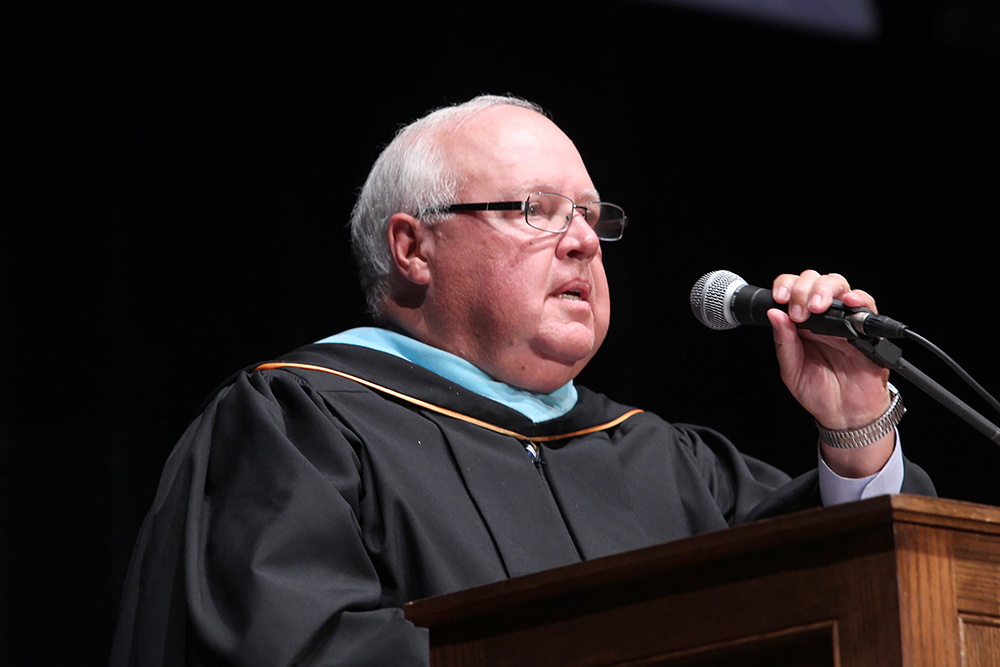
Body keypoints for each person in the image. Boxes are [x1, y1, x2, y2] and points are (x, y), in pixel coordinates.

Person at [110, 95, 934, 666]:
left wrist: (855, 427)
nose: (582, 242)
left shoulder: (661, 460)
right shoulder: (299, 425)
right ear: (413, 248)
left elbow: (850, 603)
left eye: (592, 215)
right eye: (538, 210)